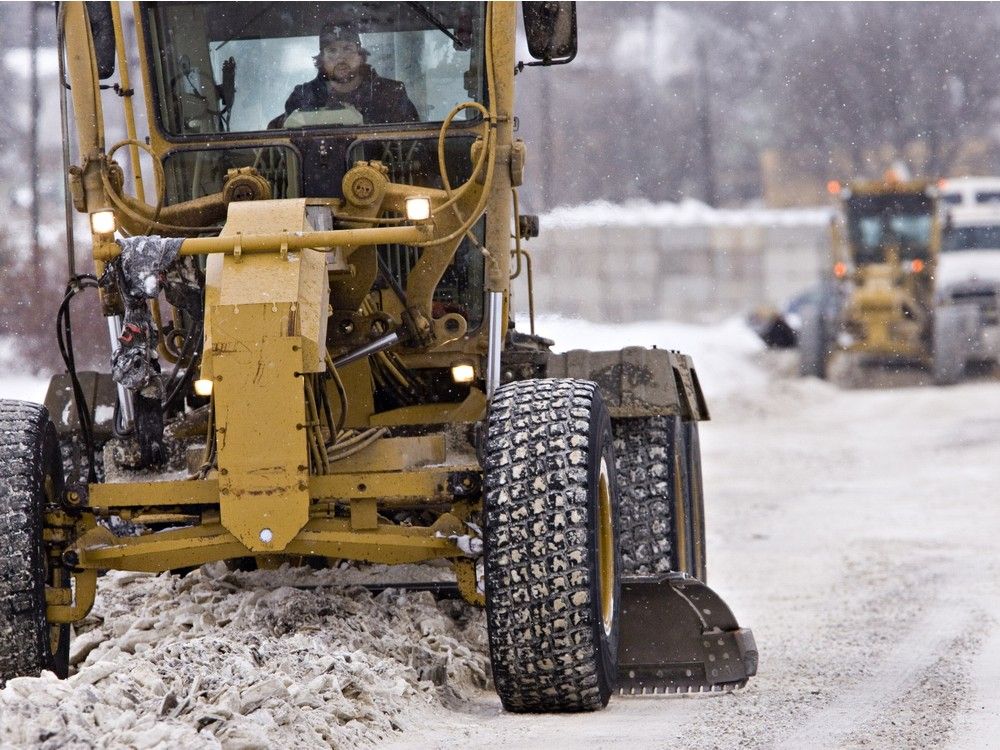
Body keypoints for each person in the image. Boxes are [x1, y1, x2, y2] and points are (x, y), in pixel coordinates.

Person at [274, 22, 419, 127]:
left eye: (347, 48)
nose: (341, 57)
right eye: (332, 50)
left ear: (360, 55)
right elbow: (276, 146)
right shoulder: (303, 97)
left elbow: (413, 147)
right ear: (321, 59)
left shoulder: (390, 94)